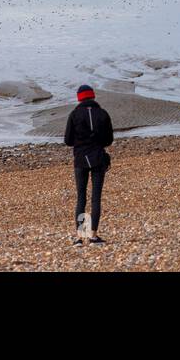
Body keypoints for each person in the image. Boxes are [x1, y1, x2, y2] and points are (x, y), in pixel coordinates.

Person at [63, 84, 113, 244]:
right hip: (98, 158)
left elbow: (68, 140)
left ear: (79, 98)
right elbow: (108, 140)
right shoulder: (103, 113)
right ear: (93, 96)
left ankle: (80, 236)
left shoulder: (74, 114)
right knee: (96, 198)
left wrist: (81, 142)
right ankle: (93, 235)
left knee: (81, 198)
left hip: (80, 160)